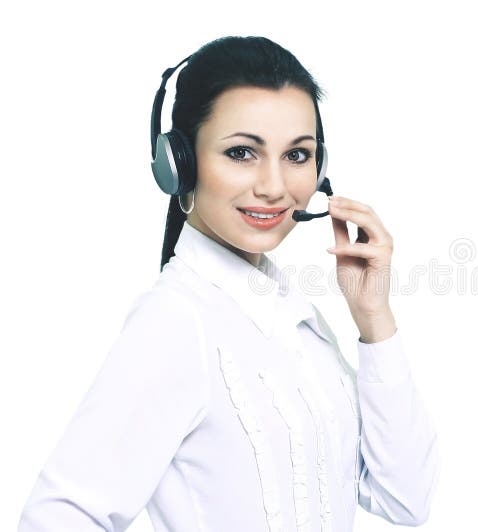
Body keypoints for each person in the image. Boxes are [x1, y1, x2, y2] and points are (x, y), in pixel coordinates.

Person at [18, 35, 440, 531]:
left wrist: (374, 320)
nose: (274, 186)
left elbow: (405, 499)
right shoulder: (177, 319)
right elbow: (59, 516)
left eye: (297, 156)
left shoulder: (301, 323)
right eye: (242, 152)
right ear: (180, 164)